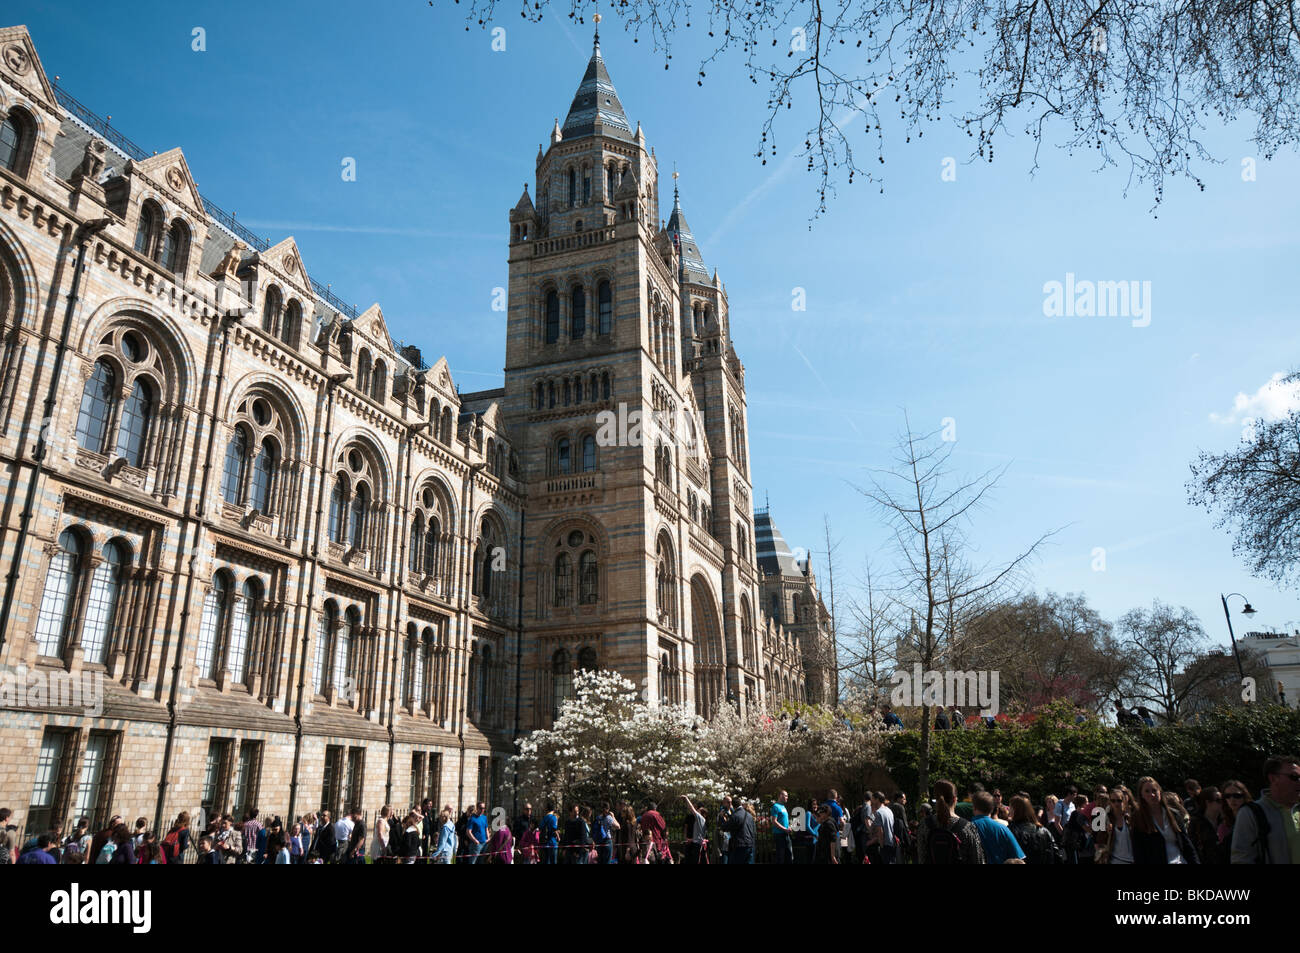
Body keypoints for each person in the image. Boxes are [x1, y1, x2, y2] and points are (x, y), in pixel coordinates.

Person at [1231, 753, 1300, 864]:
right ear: (1273, 778)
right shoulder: (1251, 813)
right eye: (1294, 777)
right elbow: (1241, 858)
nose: (1299, 782)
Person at [1132, 776, 1198, 864]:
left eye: (1154, 790)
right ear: (1142, 795)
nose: (1152, 794)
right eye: (1147, 791)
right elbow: (1138, 852)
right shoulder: (1138, 819)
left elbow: (1187, 845)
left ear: (1160, 791)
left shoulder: (1174, 814)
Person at [919, 780, 985, 864]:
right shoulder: (967, 827)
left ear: (935, 799)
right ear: (955, 799)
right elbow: (978, 860)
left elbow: (921, 858)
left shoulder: (924, 825)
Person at [971, 791, 1024, 864]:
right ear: (992, 808)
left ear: (974, 807)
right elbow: (1018, 859)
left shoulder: (967, 827)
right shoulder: (1003, 829)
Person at [1008, 796, 1061, 864]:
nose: (1009, 810)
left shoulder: (1011, 830)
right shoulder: (1044, 830)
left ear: (1016, 811)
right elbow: (1057, 855)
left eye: (1010, 808)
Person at [1187, 786, 1227, 864]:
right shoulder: (1196, 821)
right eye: (1219, 800)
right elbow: (1192, 847)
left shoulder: (1226, 820)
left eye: (1223, 800)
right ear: (1208, 802)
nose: (1223, 803)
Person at [1097, 786, 1135, 865]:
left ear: (1124, 801)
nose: (1116, 803)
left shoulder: (1130, 818)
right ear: (1110, 802)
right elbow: (1099, 842)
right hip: (1114, 860)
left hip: (1132, 860)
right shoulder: (1105, 818)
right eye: (1113, 801)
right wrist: (1105, 833)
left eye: (1119, 800)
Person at [724, 799, 756, 864]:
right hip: (750, 844)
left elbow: (725, 827)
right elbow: (754, 830)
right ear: (741, 804)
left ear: (732, 805)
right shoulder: (749, 815)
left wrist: (723, 819)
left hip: (739, 845)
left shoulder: (735, 815)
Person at [869, 792, 896, 864]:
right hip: (892, 842)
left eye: (872, 799)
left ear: (877, 799)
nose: (871, 801)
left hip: (885, 844)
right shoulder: (889, 810)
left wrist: (881, 846)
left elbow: (880, 831)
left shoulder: (878, 813)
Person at [681, 795, 708, 864]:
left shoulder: (700, 819)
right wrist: (691, 839)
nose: (696, 812)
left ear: (702, 814)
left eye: (698, 811)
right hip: (699, 844)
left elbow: (691, 808)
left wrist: (686, 799)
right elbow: (699, 836)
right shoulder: (703, 821)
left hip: (698, 846)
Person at [770, 790, 794, 864]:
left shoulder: (783, 807)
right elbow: (774, 821)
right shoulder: (775, 807)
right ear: (780, 796)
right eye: (786, 796)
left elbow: (784, 821)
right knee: (781, 857)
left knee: (789, 855)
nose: (787, 797)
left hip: (786, 834)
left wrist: (789, 827)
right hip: (779, 835)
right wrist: (785, 829)